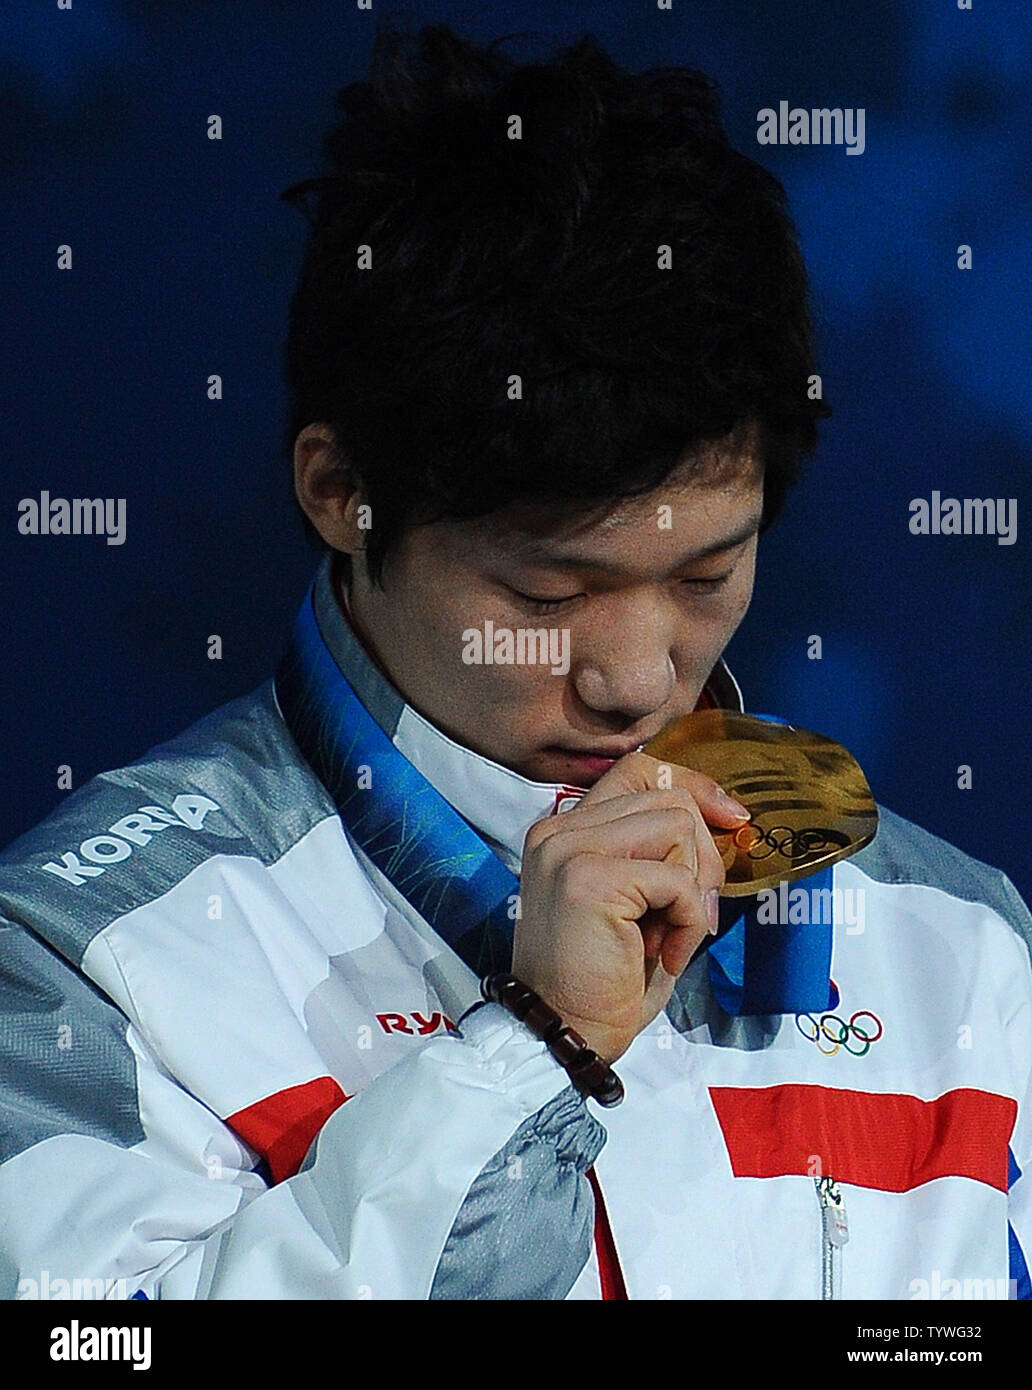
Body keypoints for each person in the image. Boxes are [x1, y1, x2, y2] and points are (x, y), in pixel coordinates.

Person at [1, 23, 1029, 1302]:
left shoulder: (966, 939)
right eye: (551, 591)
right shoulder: (76, 962)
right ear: (340, 491)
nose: (638, 677)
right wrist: (534, 1049)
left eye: (707, 575)